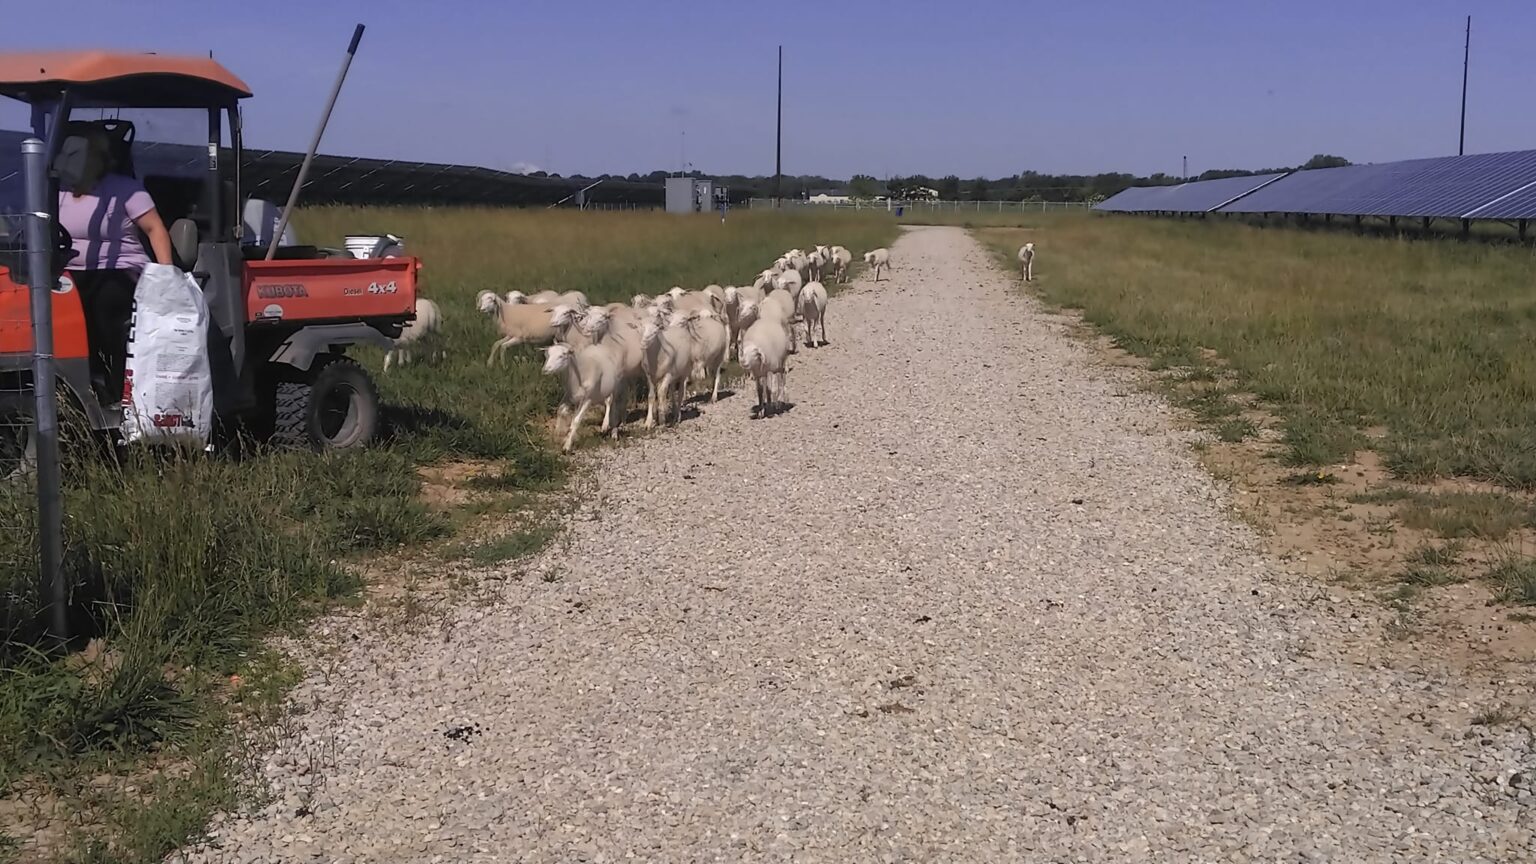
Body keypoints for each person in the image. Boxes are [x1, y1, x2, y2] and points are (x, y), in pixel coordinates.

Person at [56, 125, 172, 404]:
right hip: (71, 272)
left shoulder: (124, 189)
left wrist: (167, 276)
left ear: (96, 156)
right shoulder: (57, 190)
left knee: (105, 299)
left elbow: (155, 228)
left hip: (121, 270)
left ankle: (117, 391)